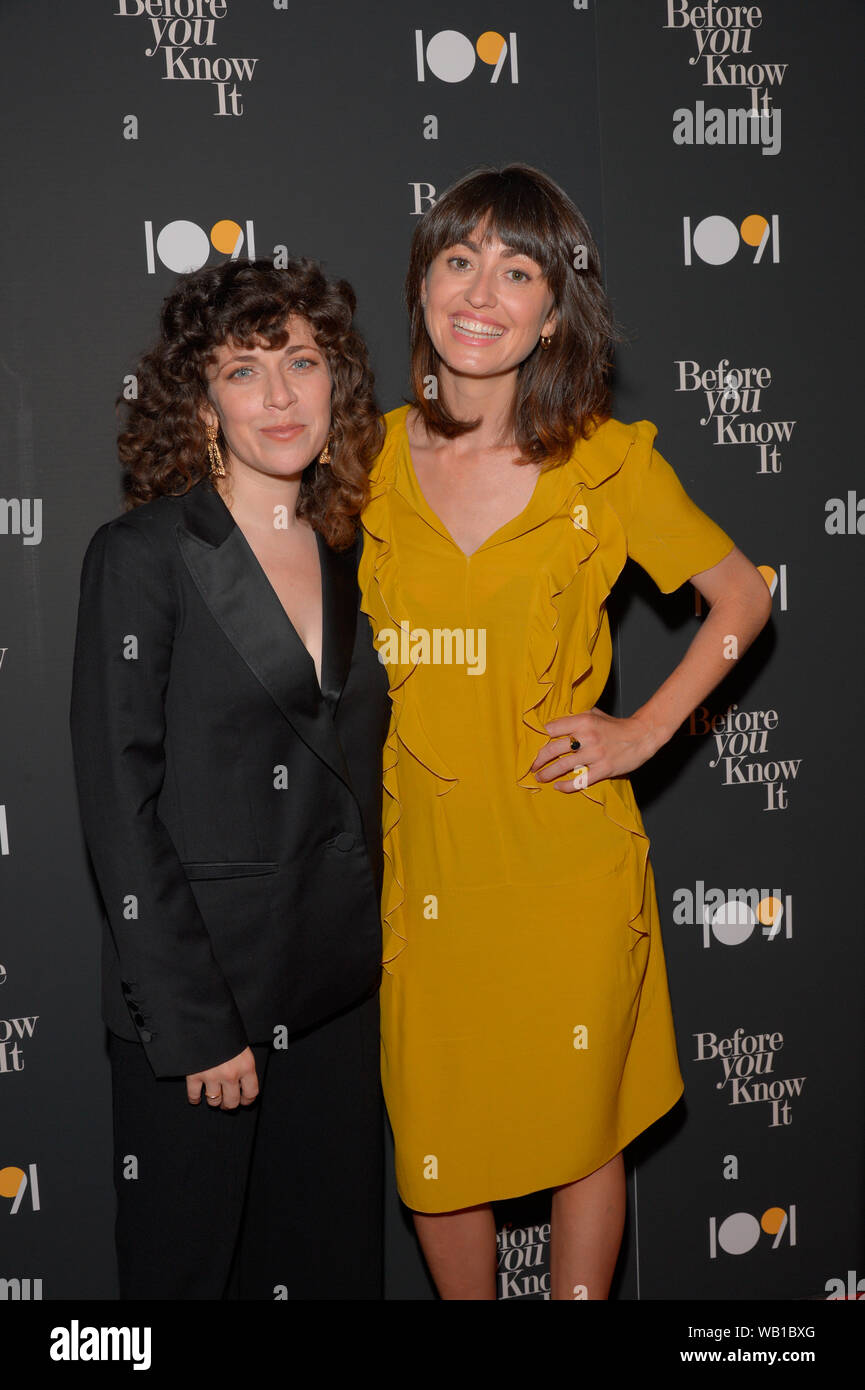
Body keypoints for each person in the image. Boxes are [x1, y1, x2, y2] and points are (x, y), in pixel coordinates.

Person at [357, 164, 772, 1300]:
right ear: (423, 286)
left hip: (563, 857)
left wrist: (641, 733)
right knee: (438, 1144)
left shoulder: (604, 460)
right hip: (426, 865)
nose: (481, 290)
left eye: (517, 267)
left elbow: (742, 599)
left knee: (582, 1124)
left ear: (551, 308)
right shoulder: (366, 462)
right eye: (458, 258)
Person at [70, 257, 389, 1300]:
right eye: (244, 371)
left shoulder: (351, 552)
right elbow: (119, 800)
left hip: (335, 1000)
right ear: (201, 397)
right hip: (204, 1007)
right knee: (188, 1280)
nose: (281, 396)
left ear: (336, 380)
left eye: (301, 362)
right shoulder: (145, 554)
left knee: (330, 1271)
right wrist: (199, 1025)